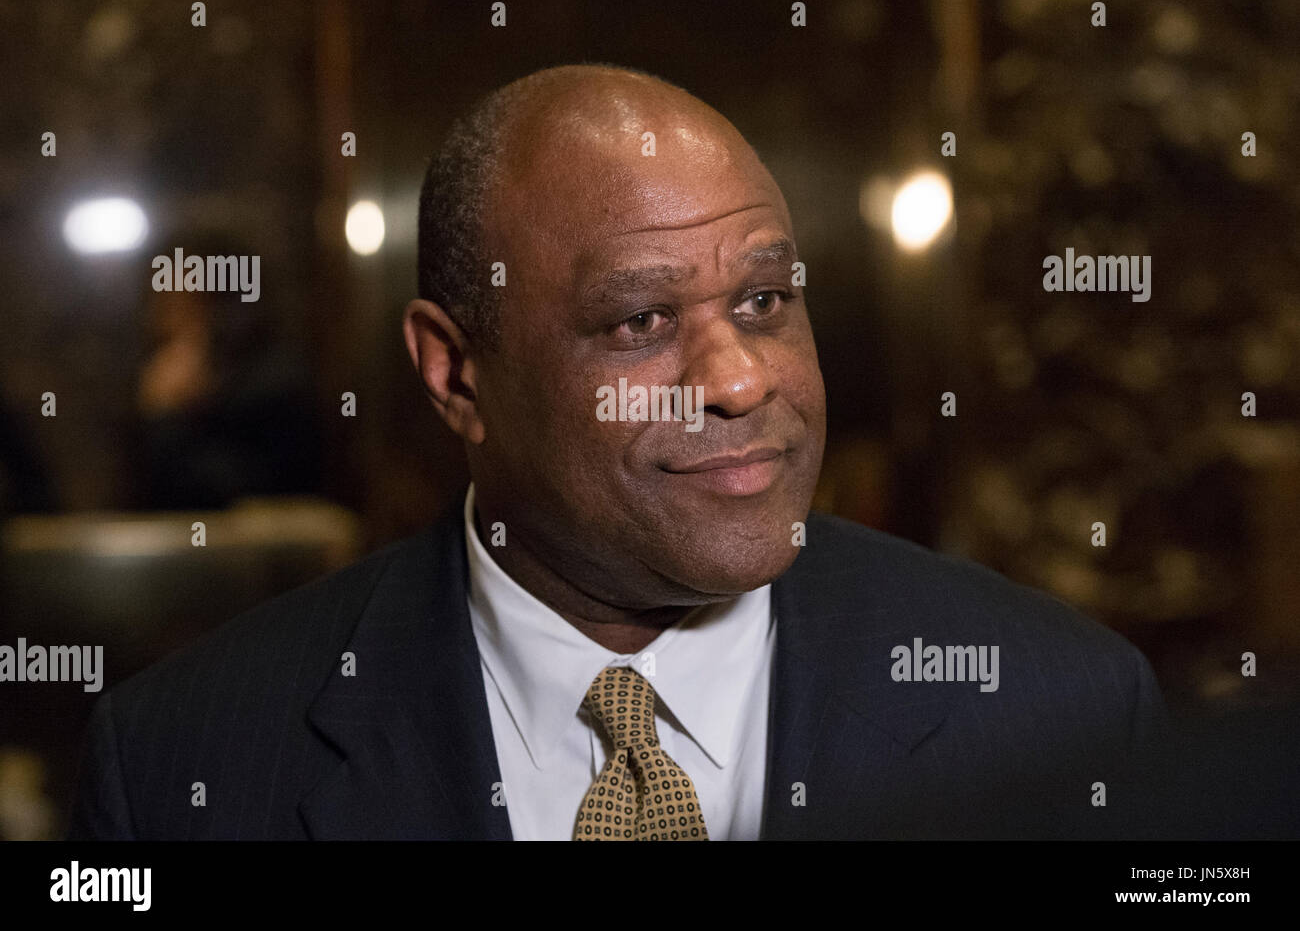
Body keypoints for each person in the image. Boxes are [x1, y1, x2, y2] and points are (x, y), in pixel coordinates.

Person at [69, 64, 1166, 841]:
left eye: (765, 299)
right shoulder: (191, 763)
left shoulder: (1059, 714)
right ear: (457, 376)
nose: (739, 380)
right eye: (639, 322)